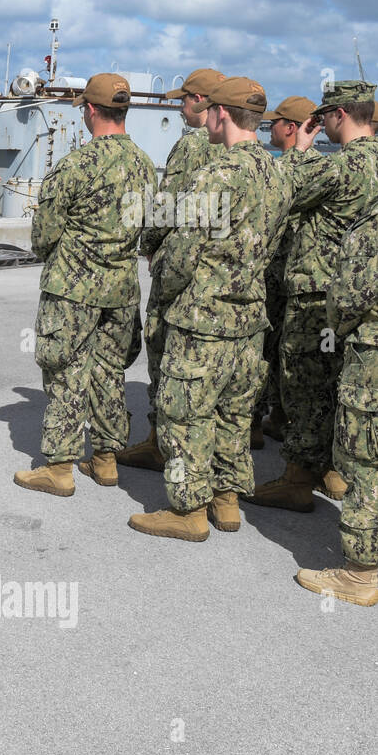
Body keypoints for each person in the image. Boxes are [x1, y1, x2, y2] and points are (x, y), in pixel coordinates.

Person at [128, 77, 291, 540]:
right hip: (249, 317)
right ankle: (227, 499)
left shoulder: (216, 174)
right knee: (234, 414)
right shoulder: (277, 172)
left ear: (219, 113)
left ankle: (187, 511)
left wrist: (164, 283)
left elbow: (181, 255)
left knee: (185, 413)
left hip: (203, 319)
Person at [13, 73, 156, 496]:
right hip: (123, 289)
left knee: (64, 373)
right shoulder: (146, 165)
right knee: (109, 371)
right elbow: (150, 233)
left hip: (72, 291)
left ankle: (59, 467)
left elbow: (43, 237)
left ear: (91, 111)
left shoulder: (76, 165)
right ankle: (107, 458)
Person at [246, 81, 378, 512]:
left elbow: (276, 190)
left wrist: (301, 149)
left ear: (339, 115)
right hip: (362, 299)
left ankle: (298, 477)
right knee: (342, 384)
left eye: (323, 118)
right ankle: (333, 469)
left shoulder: (338, 167)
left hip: (316, 297)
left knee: (305, 386)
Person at [118, 68, 226, 471]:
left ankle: (160, 441)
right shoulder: (239, 151)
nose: (180, 106)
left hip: (183, 268)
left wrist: (149, 248)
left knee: (164, 351)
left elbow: (167, 206)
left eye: (184, 99)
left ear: (200, 101)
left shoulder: (191, 146)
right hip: (222, 275)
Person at [297, 211, 378, 605]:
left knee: (365, 464)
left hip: (373, 367)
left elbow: (347, 300)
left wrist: (339, 329)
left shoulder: (372, 227)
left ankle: (360, 575)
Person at [253, 96, 317, 444]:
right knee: (289, 353)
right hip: (299, 278)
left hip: (277, 275)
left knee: (264, 351)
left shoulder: (284, 170)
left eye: (275, 122)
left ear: (291, 128)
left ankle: (252, 423)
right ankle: (279, 416)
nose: (269, 127)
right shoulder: (320, 166)